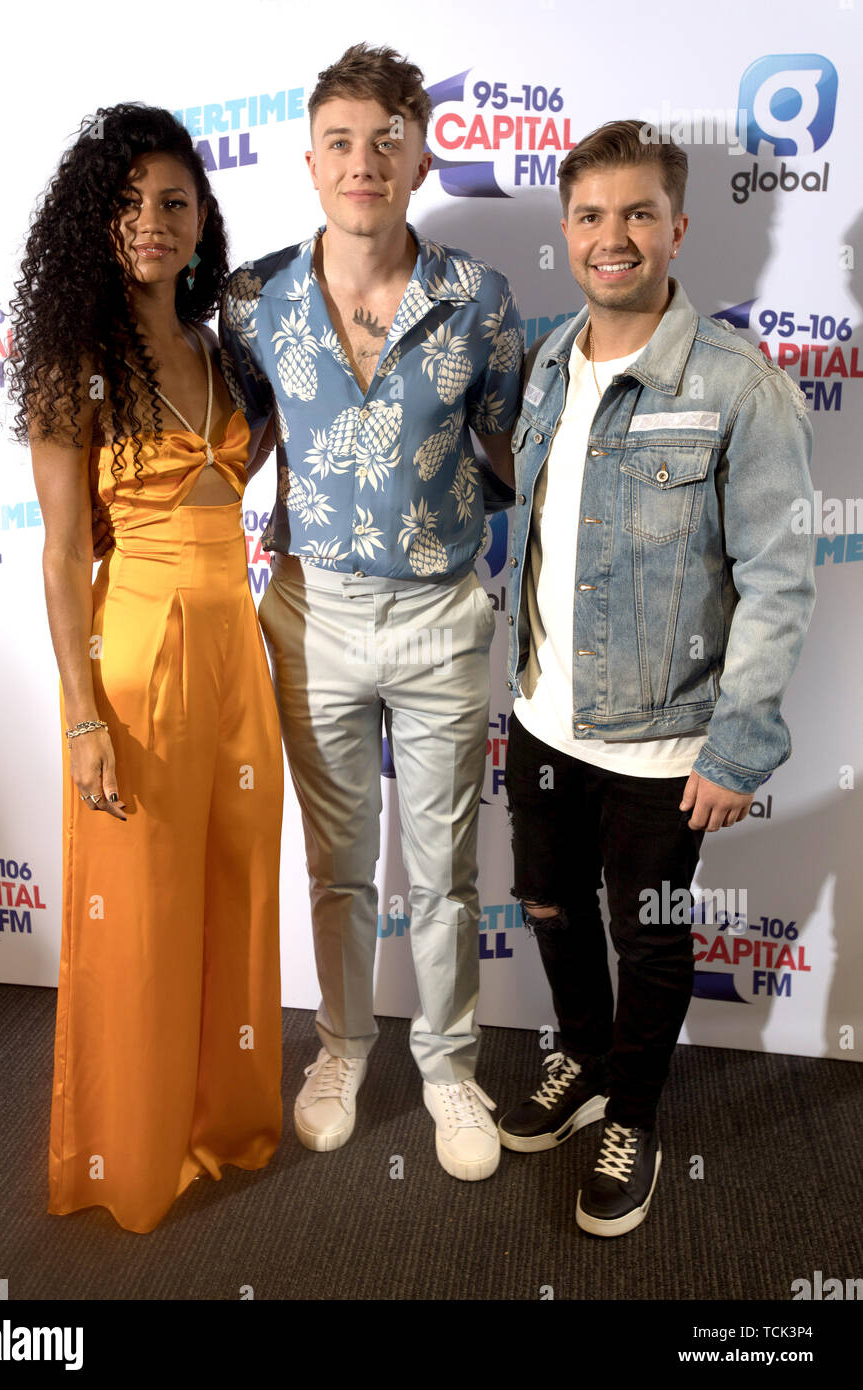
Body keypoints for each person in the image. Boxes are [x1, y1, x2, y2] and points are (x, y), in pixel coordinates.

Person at [499, 120, 815, 1235]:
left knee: (650, 937)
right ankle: (579, 1055)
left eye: (638, 213)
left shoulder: (737, 384)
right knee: (547, 906)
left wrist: (737, 745)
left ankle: (632, 1108)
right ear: (567, 232)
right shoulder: (547, 359)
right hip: (543, 721)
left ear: (677, 228)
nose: (613, 237)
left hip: (667, 746)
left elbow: (779, 580)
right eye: (590, 215)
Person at [220, 44, 524, 1181]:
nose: (364, 162)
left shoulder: (478, 299)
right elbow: (238, 440)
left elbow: (505, 447)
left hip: (441, 615)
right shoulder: (253, 300)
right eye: (342, 142)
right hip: (309, 613)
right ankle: (340, 1048)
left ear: (419, 153)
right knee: (340, 863)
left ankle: (449, 1068)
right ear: (310, 162)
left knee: (441, 868)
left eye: (385, 141)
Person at [10, 104, 283, 1234]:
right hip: (139, 659)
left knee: (235, 888)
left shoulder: (224, 347)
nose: (153, 223)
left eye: (174, 201)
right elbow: (69, 550)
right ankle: (129, 1144)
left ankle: (219, 1120)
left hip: (237, 650)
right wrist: (82, 718)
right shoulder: (74, 365)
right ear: (94, 223)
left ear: (203, 217)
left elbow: (248, 468)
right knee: (144, 904)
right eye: (127, 204)